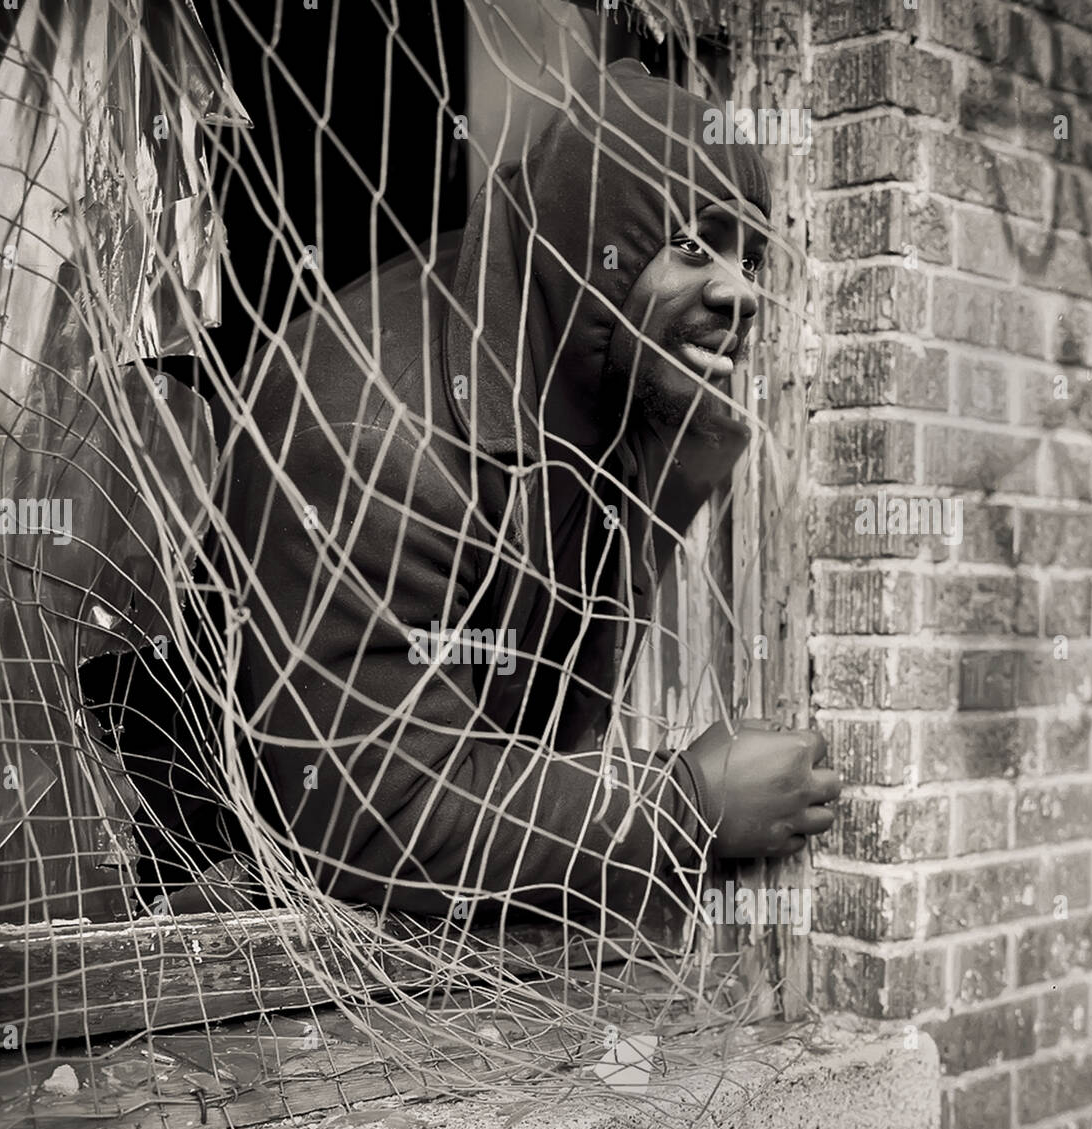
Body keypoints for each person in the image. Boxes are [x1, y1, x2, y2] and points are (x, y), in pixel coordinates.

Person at [199, 59, 840, 927]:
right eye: (694, 242)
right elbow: (367, 817)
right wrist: (685, 805)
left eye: (749, 254)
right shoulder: (369, 436)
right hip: (236, 937)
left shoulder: (610, 389)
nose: (742, 289)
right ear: (595, 239)